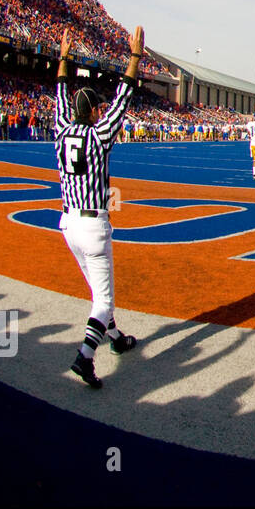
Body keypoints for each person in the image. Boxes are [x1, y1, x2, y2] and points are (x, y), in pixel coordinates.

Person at [56, 25, 143, 389]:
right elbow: (123, 99)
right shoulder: (98, 134)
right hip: (93, 225)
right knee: (102, 301)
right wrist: (134, 56)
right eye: (98, 108)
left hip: (67, 224)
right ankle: (85, 357)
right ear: (92, 110)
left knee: (98, 292)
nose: (101, 111)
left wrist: (63, 58)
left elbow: (60, 93)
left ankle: (116, 338)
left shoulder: (61, 128)